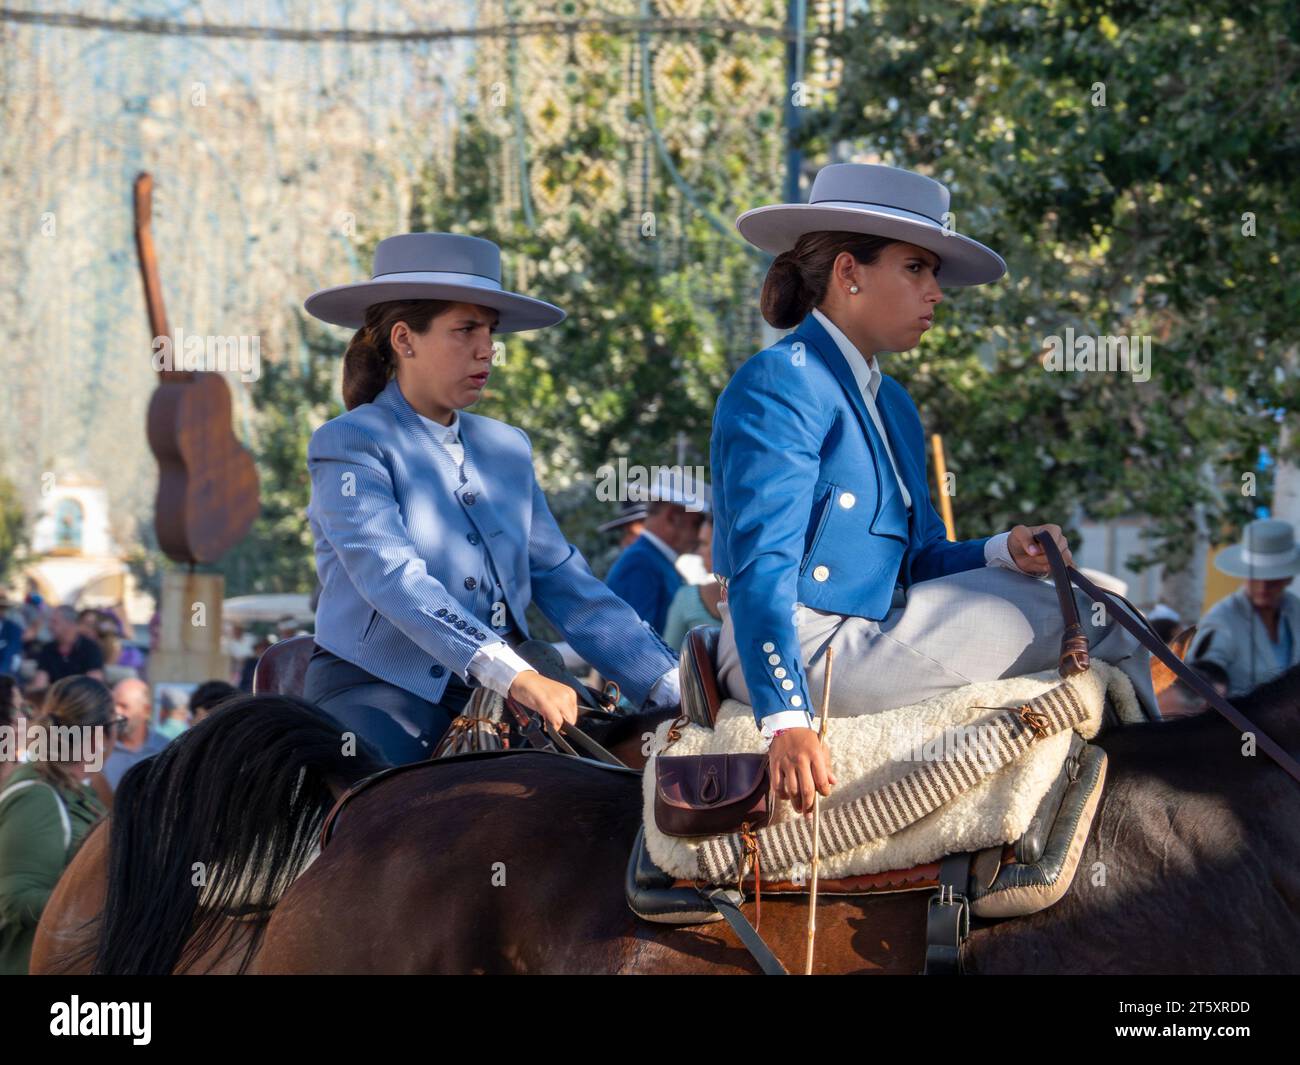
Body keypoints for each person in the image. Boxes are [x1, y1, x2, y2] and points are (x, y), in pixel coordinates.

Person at [712, 163, 1160, 814]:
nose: (936, 293)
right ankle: (1158, 796)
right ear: (849, 273)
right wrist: (787, 717)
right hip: (802, 643)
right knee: (1104, 612)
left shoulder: (891, 403)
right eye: (916, 268)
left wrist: (1006, 550)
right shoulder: (783, 382)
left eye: (934, 274)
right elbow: (762, 569)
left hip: (876, 628)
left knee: (1097, 592)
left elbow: (920, 558)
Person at [301, 232, 681, 764]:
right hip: (381, 689)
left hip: (522, 684)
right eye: (465, 330)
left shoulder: (507, 448)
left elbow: (566, 584)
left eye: (491, 331)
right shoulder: (349, 442)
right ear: (404, 339)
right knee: (382, 818)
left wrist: (670, 684)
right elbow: (392, 578)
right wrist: (514, 674)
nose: (487, 349)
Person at [0, 675, 113, 974]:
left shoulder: (80, 791)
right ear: (96, 738)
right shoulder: (38, 796)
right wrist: (110, 909)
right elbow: (16, 898)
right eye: (117, 726)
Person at [1188, 518, 1300, 696]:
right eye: (1255, 578)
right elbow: (1201, 676)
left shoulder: (1295, 609)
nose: (1262, 587)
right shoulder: (1221, 620)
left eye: (1272, 580)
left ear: (1288, 578)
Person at [605, 472, 712, 637]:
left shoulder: (650, 560)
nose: (700, 534)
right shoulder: (640, 564)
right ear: (673, 517)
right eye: (697, 523)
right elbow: (636, 643)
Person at [663, 517, 724, 649]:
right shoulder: (762, 594)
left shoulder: (686, 598)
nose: (699, 552)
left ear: (723, 545)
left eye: (704, 543)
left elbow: (670, 653)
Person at [101, 678, 169, 791]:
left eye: (124, 706)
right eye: (113, 706)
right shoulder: (99, 748)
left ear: (146, 711)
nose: (116, 712)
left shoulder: (165, 749)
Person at [32, 606, 104, 688]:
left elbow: (94, 685)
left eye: (55, 622)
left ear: (69, 624)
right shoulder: (47, 649)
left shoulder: (90, 649)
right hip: (54, 697)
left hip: (80, 698)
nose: (50, 626)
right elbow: (40, 683)